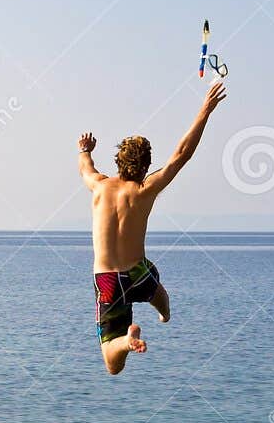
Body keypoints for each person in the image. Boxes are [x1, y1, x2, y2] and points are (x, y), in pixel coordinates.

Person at [78, 80, 226, 374]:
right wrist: (206, 110)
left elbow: (85, 167)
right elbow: (181, 155)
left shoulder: (99, 187)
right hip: (137, 274)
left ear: (119, 162)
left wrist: (85, 150)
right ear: (146, 166)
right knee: (152, 279)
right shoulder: (145, 190)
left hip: (108, 279)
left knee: (112, 363)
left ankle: (124, 341)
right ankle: (164, 312)